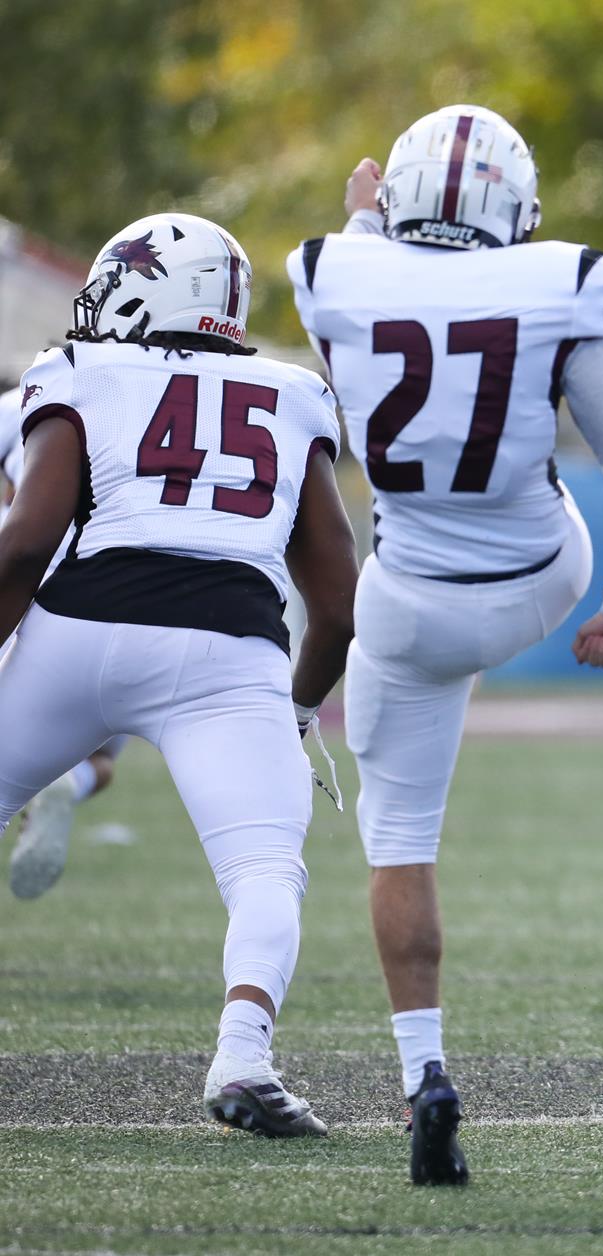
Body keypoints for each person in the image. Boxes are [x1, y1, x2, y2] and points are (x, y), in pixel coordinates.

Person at [288, 105, 603, 1185]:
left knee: (398, 833)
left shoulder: (336, 270)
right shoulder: (557, 277)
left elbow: (359, 318)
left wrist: (360, 227)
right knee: (543, 489)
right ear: (522, 209)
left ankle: (425, 1071)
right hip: (537, 577)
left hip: (403, 601)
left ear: (392, 199)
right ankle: (427, 1079)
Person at [0, 212, 358, 1137]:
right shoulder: (292, 391)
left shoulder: (79, 370)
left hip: (79, 627)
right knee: (265, 871)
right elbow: (340, 598)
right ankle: (243, 1056)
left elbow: (29, 539)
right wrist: (303, 705)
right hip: (228, 648)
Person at [0, 387, 129, 900]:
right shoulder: (144, 390)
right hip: (104, 586)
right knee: (98, 757)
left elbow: (21, 514)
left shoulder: (33, 395)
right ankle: (69, 781)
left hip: (20, 560)